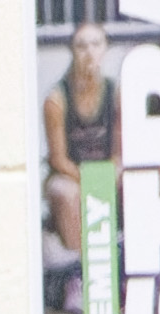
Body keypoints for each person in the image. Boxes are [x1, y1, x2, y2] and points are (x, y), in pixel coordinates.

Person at [44, 21, 117, 255]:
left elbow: (121, 151)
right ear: (73, 52)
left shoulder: (116, 93)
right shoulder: (57, 98)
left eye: (96, 44)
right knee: (65, 192)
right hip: (71, 174)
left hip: (107, 171)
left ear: (105, 48)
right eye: (82, 46)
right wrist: (88, 180)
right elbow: (58, 159)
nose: (89, 52)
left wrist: (108, 176)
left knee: (133, 181)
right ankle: (78, 267)